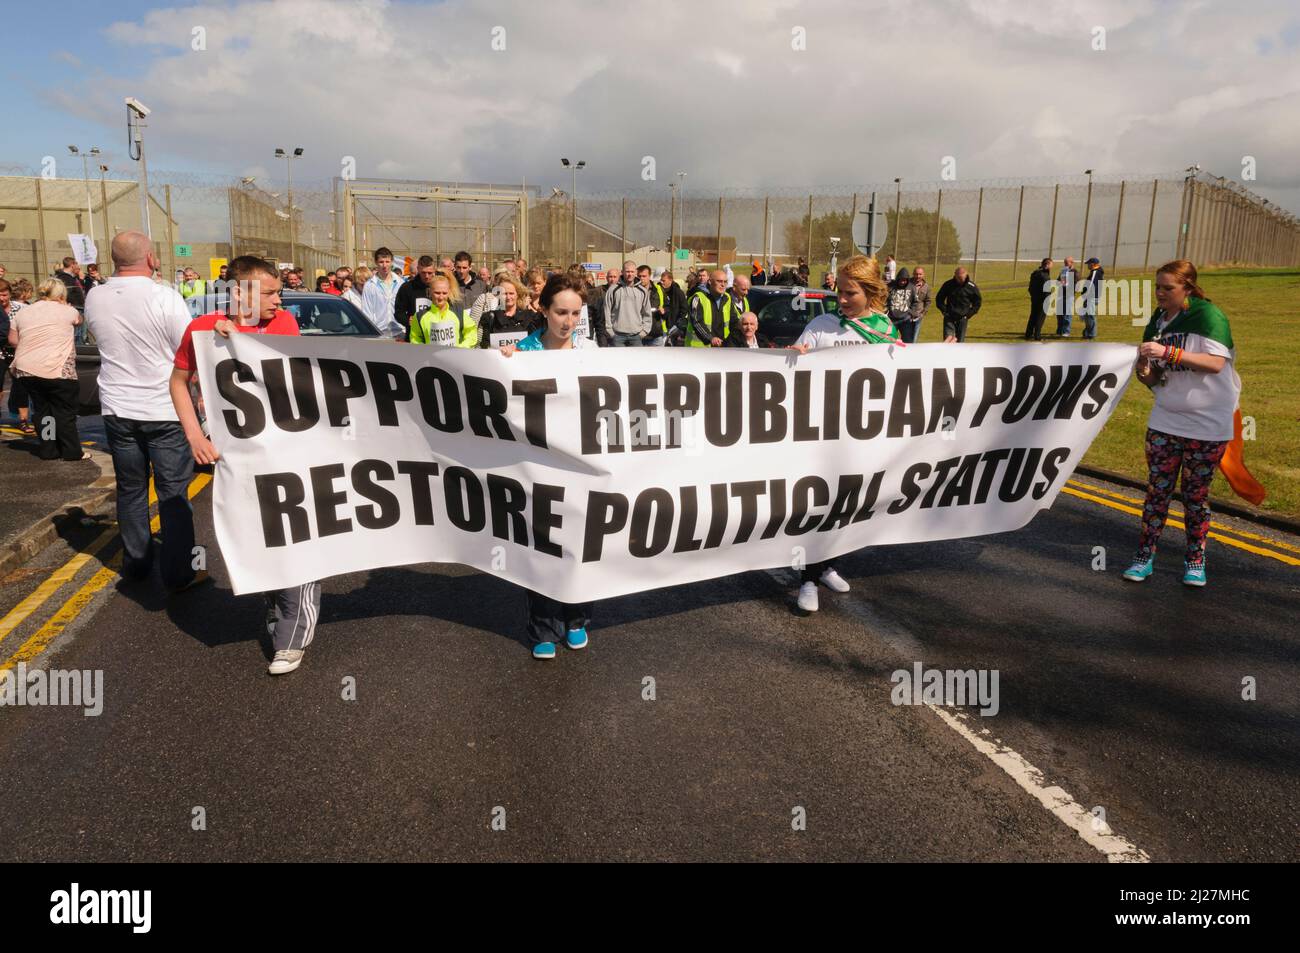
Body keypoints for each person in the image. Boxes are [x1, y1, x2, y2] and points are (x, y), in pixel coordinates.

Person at [171, 255, 322, 674]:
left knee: (297, 536)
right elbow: (178, 382)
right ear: (240, 292)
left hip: (289, 455)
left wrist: (241, 341)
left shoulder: (285, 325)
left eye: (279, 291)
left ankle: (292, 636)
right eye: (271, 292)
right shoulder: (201, 330)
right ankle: (276, 609)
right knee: (259, 539)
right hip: (239, 462)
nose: (280, 300)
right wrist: (195, 435)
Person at [85, 230, 199, 589]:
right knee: (173, 493)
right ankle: (180, 574)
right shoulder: (165, 297)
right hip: (163, 409)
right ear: (150, 258)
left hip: (117, 408)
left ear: (113, 260)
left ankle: (136, 564)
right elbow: (188, 352)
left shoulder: (94, 297)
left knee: (131, 489)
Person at [788, 255, 900, 612]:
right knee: (814, 506)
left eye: (851, 293)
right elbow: (798, 359)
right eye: (840, 292)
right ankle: (807, 578)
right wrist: (796, 353)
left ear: (869, 292)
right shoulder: (822, 324)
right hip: (818, 435)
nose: (843, 299)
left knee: (844, 507)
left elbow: (903, 376)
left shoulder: (884, 329)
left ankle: (827, 565)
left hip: (859, 438)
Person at [1124, 260, 1242, 588]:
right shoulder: (1158, 322)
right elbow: (1156, 378)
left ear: (1187, 288)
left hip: (1207, 424)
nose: (1160, 293)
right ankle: (1144, 556)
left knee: (1195, 495)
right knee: (1157, 491)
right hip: (1166, 419)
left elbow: (1215, 364)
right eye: (1157, 287)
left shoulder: (1208, 315)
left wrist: (1167, 352)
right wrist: (1144, 369)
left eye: (1168, 288)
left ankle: (1195, 558)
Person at [497, 273, 597, 659]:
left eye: (574, 313)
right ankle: (542, 626)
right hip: (537, 468)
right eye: (560, 312)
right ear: (543, 309)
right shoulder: (522, 352)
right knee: (542, 544)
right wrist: (501, 366)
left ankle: (576, 619)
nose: (568, 321)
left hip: (582, 465)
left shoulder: (591, 351)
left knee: (581, 543)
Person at [7, 279, 87, 461]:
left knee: (43, 411)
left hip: (27, 369)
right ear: (60, 295)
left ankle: (49, 450)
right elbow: (79, 321)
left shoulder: (24, 312)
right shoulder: (68, 310)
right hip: (57, 368)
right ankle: (72, 452)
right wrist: (65, 305)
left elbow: (13, 340)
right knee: (64, 412)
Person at [409, 272, 475, 346]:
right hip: (429, 357)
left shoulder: (459, 312)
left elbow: (471, 333)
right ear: (430, 292)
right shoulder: (419, 316)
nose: (441, 297)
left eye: (444, 293)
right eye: (437, 293)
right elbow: (415, 338)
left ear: (449, 292)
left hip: (456, 356)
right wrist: (424, 350)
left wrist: (461, 348)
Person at [476, 277, 539, 347]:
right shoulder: (490, 317)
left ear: (517, 294)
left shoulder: (529, 317)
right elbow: (483, 346)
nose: (508, 297)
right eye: (504, 294)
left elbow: (536, 343)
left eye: (511, 293)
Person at [605, 259, 652, 346]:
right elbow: (606, 311)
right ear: (622, 272)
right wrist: (611, 333)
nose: (630, 274)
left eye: (632, 271)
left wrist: (643, 332)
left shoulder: (642, 291)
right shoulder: (613, 290)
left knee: (637, 360)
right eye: (627, 271)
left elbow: (647, 313)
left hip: (636, 337)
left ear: (636, 272)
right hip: (617, 337)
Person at [685, 269, 734, 347]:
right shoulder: (698, 298)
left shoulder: (727, 298)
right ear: (710, 282)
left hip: (722, 347)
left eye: (725, 282)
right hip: (698, 350)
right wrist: (710, 338)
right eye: (719, 281)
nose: (723, 285)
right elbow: (697, 321)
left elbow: (734, 320)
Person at [394, 255, 437, 340]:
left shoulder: (440, 286)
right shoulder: (407, 287)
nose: (427, 276)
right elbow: (398, 312)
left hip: (436, 336)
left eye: (430, 273)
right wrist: (407, 320)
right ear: (418, 269)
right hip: (414, 337)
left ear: (434, 270)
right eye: (423, 273)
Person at [935, 266, 982, 342]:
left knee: (960, 341)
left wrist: (969, 314)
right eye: (958, 278)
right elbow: (939, 299)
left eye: (961, 278)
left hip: (963, 318)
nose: (960, 280)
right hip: (949, 317)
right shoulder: (948, 284)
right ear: (955, 275)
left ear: (966, 275)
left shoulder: (971, 287)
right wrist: (944, 311)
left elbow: (977, 302)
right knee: (948, 340)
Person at [1024, 257, 1053, 341]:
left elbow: (1031, 287)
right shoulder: (1045, 276)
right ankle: (1037, 335)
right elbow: (1047, 289)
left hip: (1034, 298)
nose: (1052, 266)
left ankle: (1028, 334)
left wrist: (1033, 295)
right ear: (1047, 264)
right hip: (1042, 299)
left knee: (1033, 316)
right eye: (1051, 264)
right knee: (1040, 318)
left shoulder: (1035, 273)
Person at [886, 267, 918, 342]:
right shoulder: (891, 286)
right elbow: (884, 298)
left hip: (905, 319)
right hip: (891, 319)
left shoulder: (912, 287)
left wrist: (910, 312)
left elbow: (915, 302)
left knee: (908, 341)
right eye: (901, 280)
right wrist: (886, 310)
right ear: (898, 279)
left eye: (905, 280)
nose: (903, 282)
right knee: (888, 340)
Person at [658, 269, 687, 344]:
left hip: (674, 326)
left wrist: (677, 324)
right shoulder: (659, 290)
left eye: (664, 280)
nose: (661, 282)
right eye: (661, 280)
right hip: (661, 325)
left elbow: (684, 309)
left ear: (670, 280)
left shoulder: (678, 293)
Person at [1080, 257, 1103, 339]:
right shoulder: (1096, 272)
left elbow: (1090, 285)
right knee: (1088, 315)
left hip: (1091, 296)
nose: (1087, 265)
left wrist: (1085, 294)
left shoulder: (1095, 272)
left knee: (1090, 315)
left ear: (1093, 264)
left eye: (1089, 264)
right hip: (1093, 296)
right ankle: (1087, 332)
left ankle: (1091, 334)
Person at [1055, 256, 1077, 337]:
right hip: (1060, 295)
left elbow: (1076, 284)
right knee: (1059, 314)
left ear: (1072, 263)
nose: (1065, 264)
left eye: (1066, 262)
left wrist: (1067, 283)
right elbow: (1058, 281)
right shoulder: (1063, 271)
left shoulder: (1074, 272)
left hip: (1069, 296)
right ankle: (1059, 331)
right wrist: (1060, 282)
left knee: (1067, 314)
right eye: (1064, 262)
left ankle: (1066, 331)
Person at [908, 266, 931, 340]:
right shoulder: (907, 284)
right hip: (907, 314)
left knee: (915, 337)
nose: (918, 276)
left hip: (919, 315)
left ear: (923, 274)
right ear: (913, 274)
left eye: (920, 274)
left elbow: (928, 301)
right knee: (906, 337)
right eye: (916, 274)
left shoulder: (926, 287)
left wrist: (923, 313)